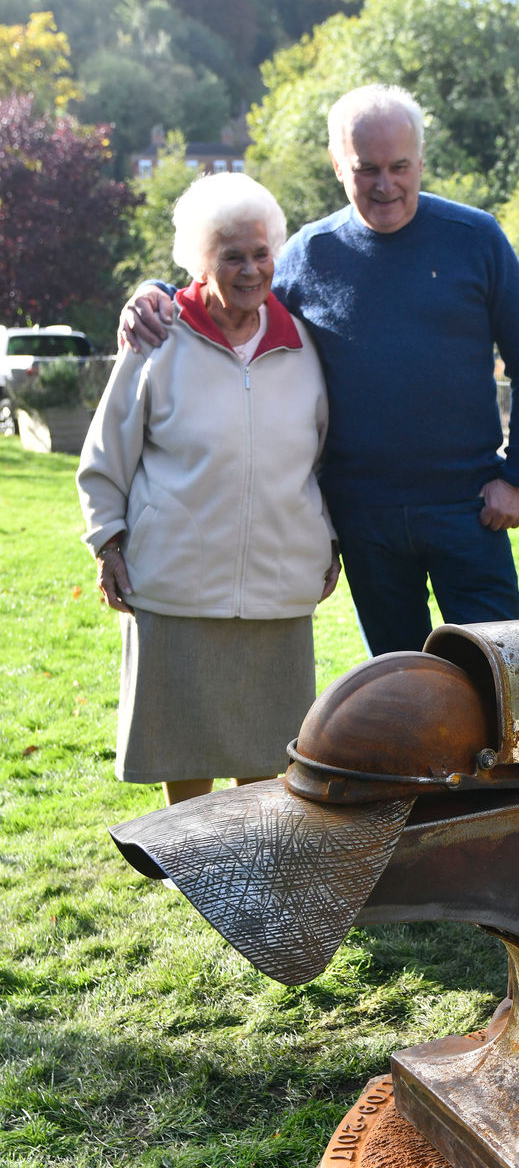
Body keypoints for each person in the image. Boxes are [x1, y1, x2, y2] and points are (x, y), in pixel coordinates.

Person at [122, 85, 519, 656]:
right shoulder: (307, 254)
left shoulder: (476, 239)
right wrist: (152, 292)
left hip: (470, 508)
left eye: (400, 166)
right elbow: (227, 295)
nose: (385, 184)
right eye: (366, 168)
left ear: (421, 159)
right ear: (336, 164)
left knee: (503, 676)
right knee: (398, 692)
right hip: (364, 517)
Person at [78, 173, 339, 806]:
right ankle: (191, 853)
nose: (250, 269)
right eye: (231, 255)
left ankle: (247, 855)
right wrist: (108, 543)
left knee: (266, 741)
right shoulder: (156, 340)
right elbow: (107, 451)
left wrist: (327, 540)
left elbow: (325, 459)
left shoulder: (302, 345)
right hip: (175, 577)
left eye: (260, 253)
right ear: (201, 262)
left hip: (279, 579)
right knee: (182, 738)